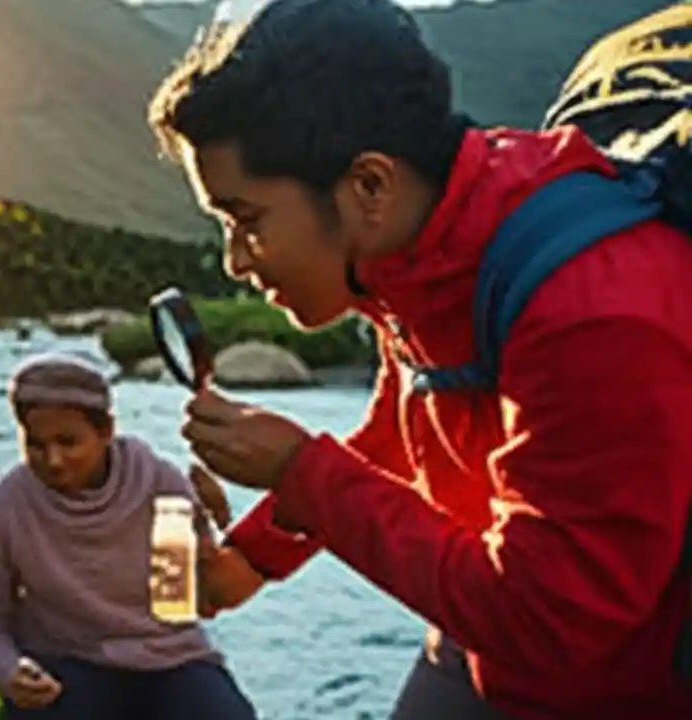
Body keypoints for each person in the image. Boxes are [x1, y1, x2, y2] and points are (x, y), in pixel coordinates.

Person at [147, 1, 692, 718]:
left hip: (616, 680)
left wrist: (299, 471)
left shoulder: (593, 310)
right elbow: (403, 429)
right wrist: (254, 558)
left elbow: (552, 621)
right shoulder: (417, 248)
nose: (236, 261)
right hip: (489, 642)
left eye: (246, 220)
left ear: (370, 185)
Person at [0, 353, 259, 719]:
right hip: (65, 663)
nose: (52, 460)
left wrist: (209, 528)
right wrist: (10, 669)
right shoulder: (1, 511)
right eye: (36, 444)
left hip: (169, 660)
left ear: (106, 431)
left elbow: (182, 603)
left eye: (68, 442)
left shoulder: (162, 485)